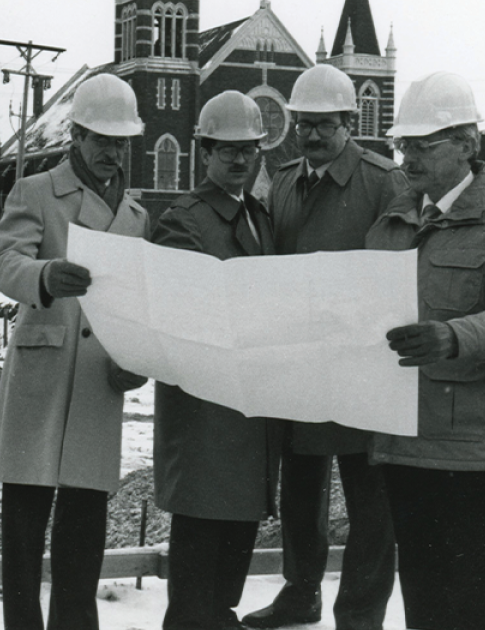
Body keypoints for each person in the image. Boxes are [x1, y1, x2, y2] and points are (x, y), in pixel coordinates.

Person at [243, 64, 404, 630]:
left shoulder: (386, 182)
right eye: (303, 125)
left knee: (371, 498)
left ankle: (360, 613)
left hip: (363, 368)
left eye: (323, 126)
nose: (311, 136)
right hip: (300, 365)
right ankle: (300, 592)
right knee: (302, 489)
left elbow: (400, 275)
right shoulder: (284, 180)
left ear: (348, 122)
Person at [0, 72, 149, 630]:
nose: (112, 152)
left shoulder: (135, 217)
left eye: (120, 141)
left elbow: (135, 304)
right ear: (77, 135)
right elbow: (4, 265)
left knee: (83, 533)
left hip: (96, 385)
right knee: (25, 536)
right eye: (101, 139)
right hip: (43, 373)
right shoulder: (35, 190)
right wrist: (45, 274)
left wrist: (134, 360)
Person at [366, 71, 485, 630]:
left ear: (466, 144)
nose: (407, 158)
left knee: (472, 601)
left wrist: (452, 336)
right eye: (403, 145)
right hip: (403, 440)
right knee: (426, 599)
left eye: (423, 145)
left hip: (470, 448)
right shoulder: (394, 219)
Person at [149, 91, 281, 630]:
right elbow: (182, 314)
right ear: (204, 151)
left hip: (249, 417)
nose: (239, 160)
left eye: (248, 150)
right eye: (227, 150)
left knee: (227, 578)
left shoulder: (259, 217)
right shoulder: (184, 219)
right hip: (205, 416)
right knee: (196, 579)